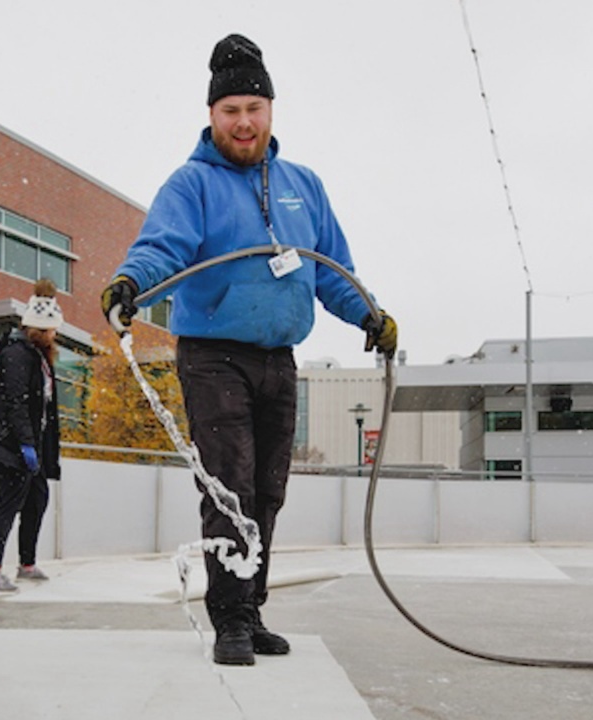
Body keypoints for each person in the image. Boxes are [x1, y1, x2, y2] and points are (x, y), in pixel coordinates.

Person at [100, 33, 397, 666]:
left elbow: (330, 269)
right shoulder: (191, 184)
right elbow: (162, 248)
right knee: (229, 487)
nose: (243, 122)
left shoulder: (303, 185)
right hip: (213, 354)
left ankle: (252, 607)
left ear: (271, 112)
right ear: (212, 116)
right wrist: (132, 282)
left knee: (266, 491)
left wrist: (368, 313)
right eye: (230, 110)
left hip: (278, 358)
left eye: (253, 109)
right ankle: (228, 619)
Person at [0, 279, 64, 591]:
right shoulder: (16, 354)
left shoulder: (38, 356)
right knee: (9, 502)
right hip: (8, 443)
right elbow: (16, 402)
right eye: (52, 330)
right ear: (39, 330)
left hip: (28, 442)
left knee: (37, 499)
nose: (55, 334)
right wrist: (25, 444)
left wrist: (41, 448)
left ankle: (27, 563)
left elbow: (45, 408)